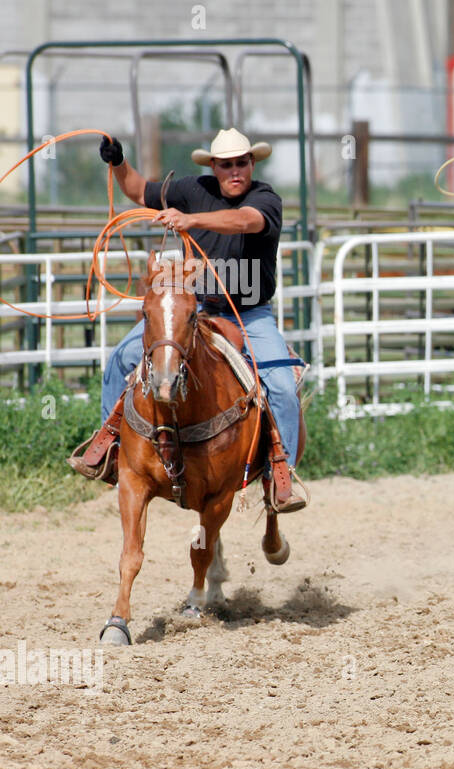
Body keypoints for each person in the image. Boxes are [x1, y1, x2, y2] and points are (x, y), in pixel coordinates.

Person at [68, 127, 306, 512]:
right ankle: (111, 448)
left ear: (252, 163)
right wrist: (118, 162)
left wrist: (192, 221)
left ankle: (282, 473)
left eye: (241, 163)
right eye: (225, 164)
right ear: (213, 166)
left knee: (279, 385)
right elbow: (137, 189)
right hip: (194, 309)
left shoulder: (265, 198)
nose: (234, 171)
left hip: (250, 315)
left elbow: (246, 221)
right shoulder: (194, 189)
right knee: (122, 358)